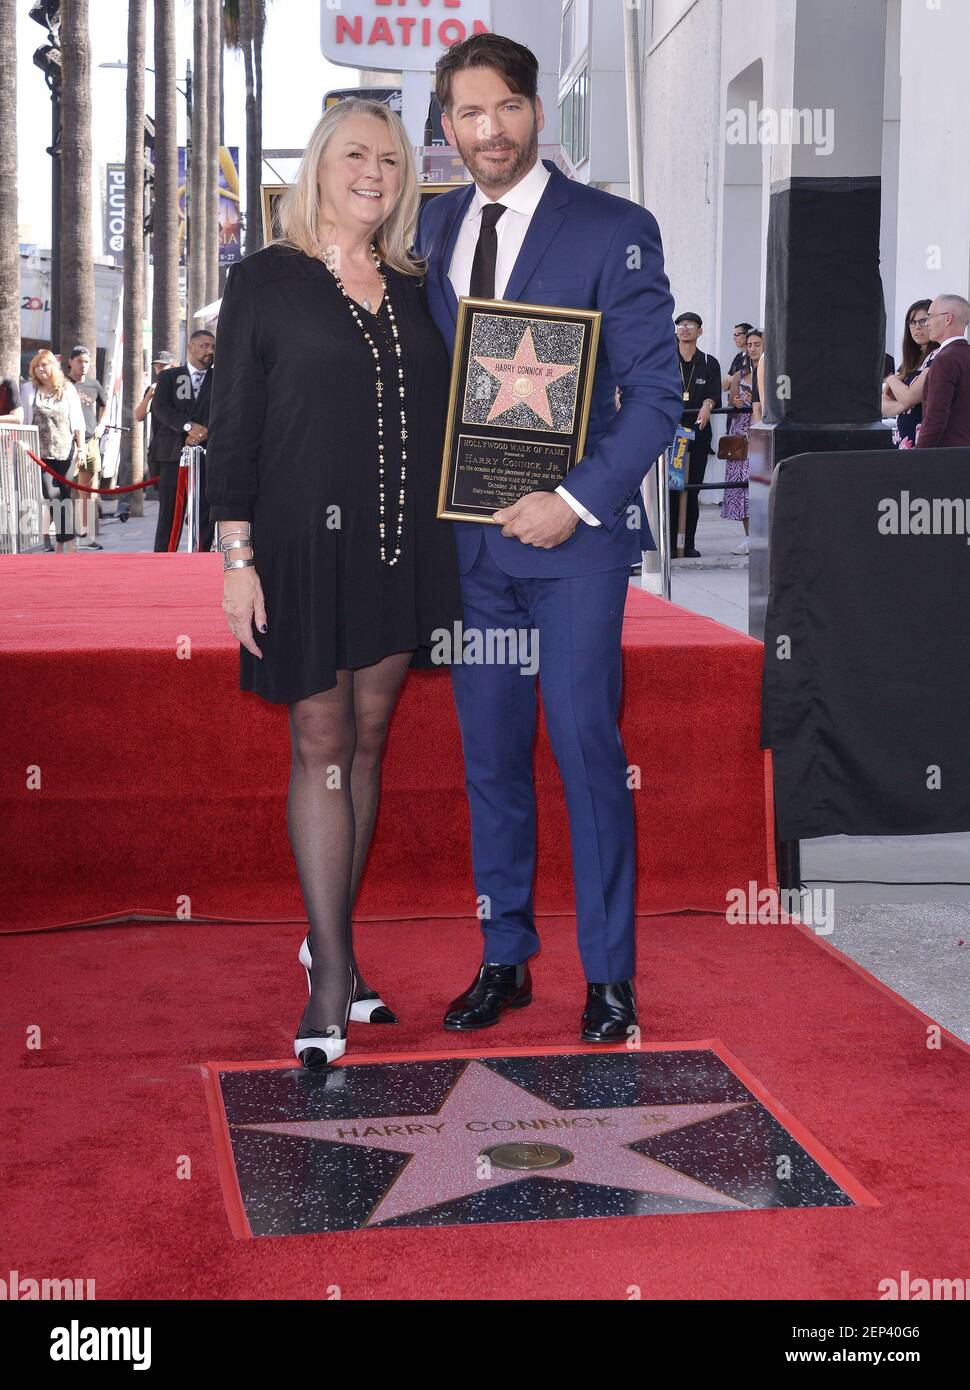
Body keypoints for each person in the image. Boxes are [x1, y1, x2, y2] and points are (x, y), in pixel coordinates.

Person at [417, 33, 681, 1043]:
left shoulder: (613, 228)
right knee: (490, 760)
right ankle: (504, 957)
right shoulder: (430, 227)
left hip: (572, 551)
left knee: (582, 746)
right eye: (468, 114)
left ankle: (609, 977)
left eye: (507, 109)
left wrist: (571, 501)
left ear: (538, 113)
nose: (489, 131)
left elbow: (656, 393)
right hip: (471, 554)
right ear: (446, 126)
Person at [205, 99, 461, 1069]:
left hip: (399, 544)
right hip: (300, 549)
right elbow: (232, 427)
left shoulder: (413, 285)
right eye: (356, 155)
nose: (374, 175)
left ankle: (330, 940)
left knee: (366, 739)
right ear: (318, 165)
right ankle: (329, 978)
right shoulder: (264, 282)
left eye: (391, 163)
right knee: (318, 737)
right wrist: (237, 559)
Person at [149, 332, 216, 551]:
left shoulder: (220, 378)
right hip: (172, 454)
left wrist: (202, 432)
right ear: (190, 347)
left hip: (208, 454)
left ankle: (202, 555)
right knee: (169, 510)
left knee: (205, 510)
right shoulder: (170, 377)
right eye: (205, 346)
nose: (210, 351)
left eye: (213, 347)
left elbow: (225, 408)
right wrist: (188, 426)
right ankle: (163, 557)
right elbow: (161, 408)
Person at [671, 311, 721, 557]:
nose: (685, 328)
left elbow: (714, 394)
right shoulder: (667, 360)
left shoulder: (709, 362)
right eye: (680, 324)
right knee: (671, 488)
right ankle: (670, 544)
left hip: (698, 434)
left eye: (690, 325)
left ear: (700, 331)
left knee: (692, 490)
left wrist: (708, 404)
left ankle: (687, 544)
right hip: (672, 434)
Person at [28, 349, 84, 553]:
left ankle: (61, 544)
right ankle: (69, 541)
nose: (40, 369)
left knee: (65, 496)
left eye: (44, 365)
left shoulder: (67, 389)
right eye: (37, 366)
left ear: (53, 366)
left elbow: (77, 420)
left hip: (65, 451)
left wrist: (81, 449)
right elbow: (25, 418)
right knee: (53, 494)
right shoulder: (29, 389)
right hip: (41, 454)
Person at [721, 328, 763, 553]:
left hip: (762, 432)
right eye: (750, 344)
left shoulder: (772, 373)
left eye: (757, 344)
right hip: (741, 434)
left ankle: (763, 533)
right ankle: (748, 536)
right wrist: (735, 404)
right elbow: (730, 409)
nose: (753, 348)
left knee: (761, 484)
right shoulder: (740, 374)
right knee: (742, 486)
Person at [881, 300, 938, 448]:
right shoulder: (910, 362)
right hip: (902, 440)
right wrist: (904, 404)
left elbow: (909, 397)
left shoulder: (938, 357)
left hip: (924, 442)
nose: (917, 327)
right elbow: (883, 406)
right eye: (912, 322)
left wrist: (891, 379)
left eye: (923, 321)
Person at [66, 345, 107, 548]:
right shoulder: (64, 384)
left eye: (86, 362)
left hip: (91, 442)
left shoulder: (94, 384)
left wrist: (101, 425)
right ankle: (61, 535)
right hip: (68, 444)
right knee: (63, 489)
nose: (83, 365)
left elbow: (104, 404)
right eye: (80, 361)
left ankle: (86, 535)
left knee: (89, 491)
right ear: (70, 362)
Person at [916, 294, 970, 448]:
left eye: (930, 316)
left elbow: (935, 418)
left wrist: (917, 457)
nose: (927, 324)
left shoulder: (945, 360)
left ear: (948, 318)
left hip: (947, 456)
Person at [723, 322, 753, 389]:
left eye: (737, 334)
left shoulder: (753, 355)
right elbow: (724, 386)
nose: (734, 338)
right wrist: (734, 378)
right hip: (734, 397)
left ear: (747, 334)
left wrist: (731, 379)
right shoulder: (738, 357)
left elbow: (748, 378)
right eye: (734, 335)